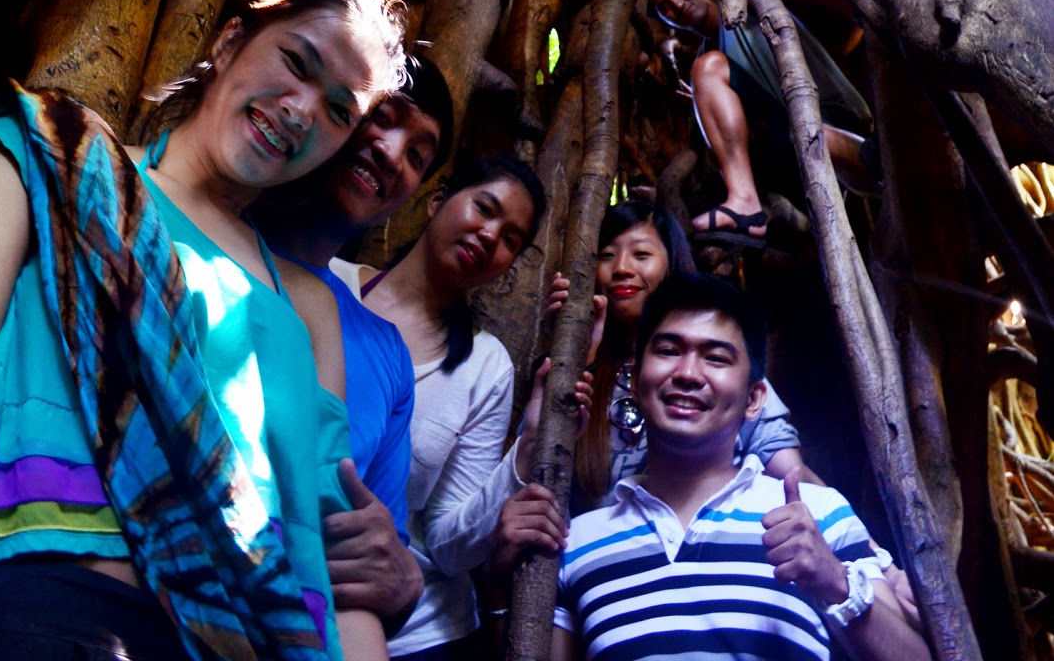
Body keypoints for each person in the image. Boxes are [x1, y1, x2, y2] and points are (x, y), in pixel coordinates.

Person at [0, 0, 405, 661]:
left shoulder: (306, 308)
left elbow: (335, 555)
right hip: (46, 610)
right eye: (296, 63)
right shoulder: (50, 163)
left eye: (339, 111)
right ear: (232, 38)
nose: (301, 111)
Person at [549, 272, 931, 661]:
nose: (687, 373)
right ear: (635, 383)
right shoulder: (577, 543)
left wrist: (835, 581)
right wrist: (497, 592)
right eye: (667, 350)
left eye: (715, 358)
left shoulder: (819, 516)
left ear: (754, 398)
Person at [333, 153, 567, 661]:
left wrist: (526, 447)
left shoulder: (486, 365)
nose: (490, 236)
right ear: (439, 200)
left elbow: (446, 544)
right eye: (484, 208)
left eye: (511, 239)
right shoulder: (329, 281)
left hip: (419, 633)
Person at [258, 55, 457, 631]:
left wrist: (402, 586)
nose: (393, 154)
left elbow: (377, 550)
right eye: (384, 119)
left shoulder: (387, 353)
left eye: (417, 156)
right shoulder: (195, 229)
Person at [550, 199, 812, 512]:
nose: (621, 268)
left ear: (671, 264)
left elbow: (794, 480)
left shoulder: (723, 376)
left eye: (641, 254)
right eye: (606, 255)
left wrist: (858, 550)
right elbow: (539, 472)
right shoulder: (585, 369)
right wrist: (574, 354)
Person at [649, 0, 876, 245]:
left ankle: (869, 162)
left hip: (833, 118)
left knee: (816, 138)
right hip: (788, 154)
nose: (677, 4)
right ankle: (747, 205)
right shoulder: (708, 74)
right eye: (665, 8)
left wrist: (877, 18)